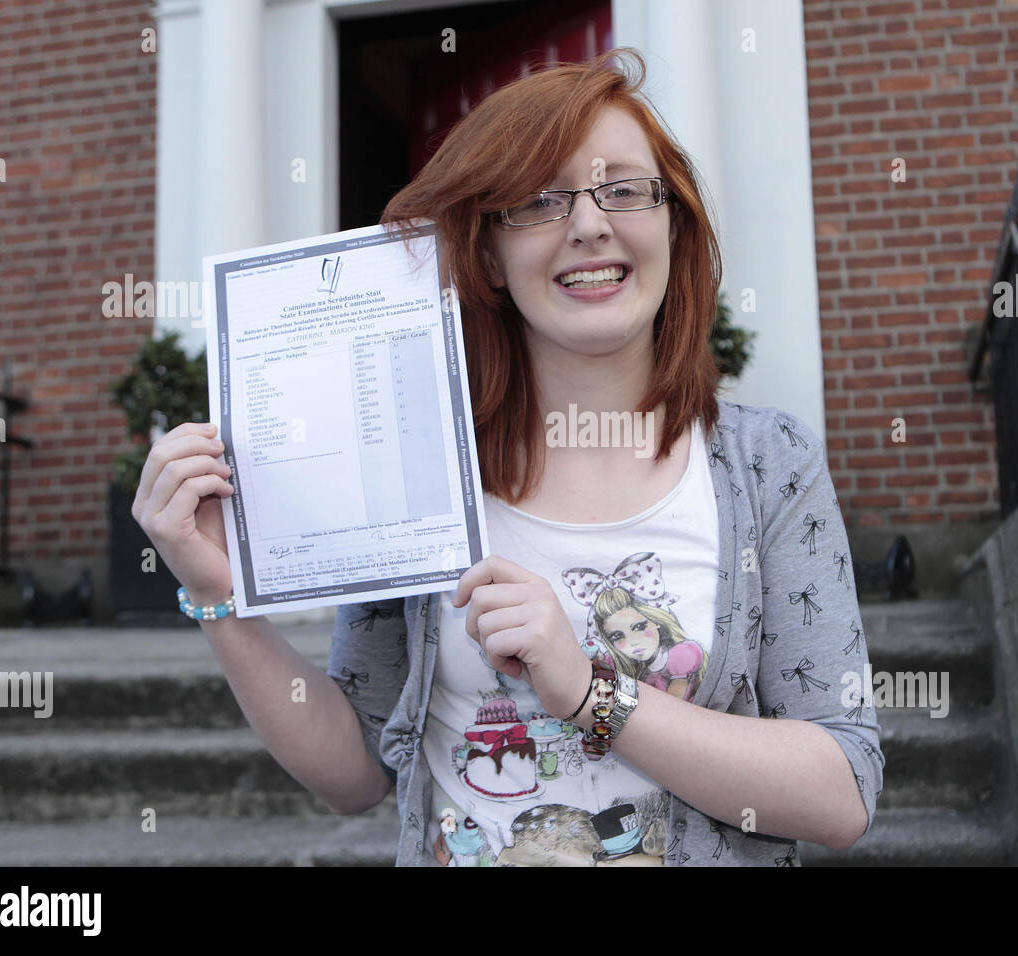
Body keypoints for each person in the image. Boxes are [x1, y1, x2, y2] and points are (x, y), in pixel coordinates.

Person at [133, 47, 883, 867]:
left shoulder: (767, 464)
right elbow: (352, 773)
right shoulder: (420, 475)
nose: (590, 224)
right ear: (488, 254)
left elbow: (841, 791)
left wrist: (588, 690)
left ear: (674, 222)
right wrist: (220, 600)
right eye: (539, 201)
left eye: (624, 190)